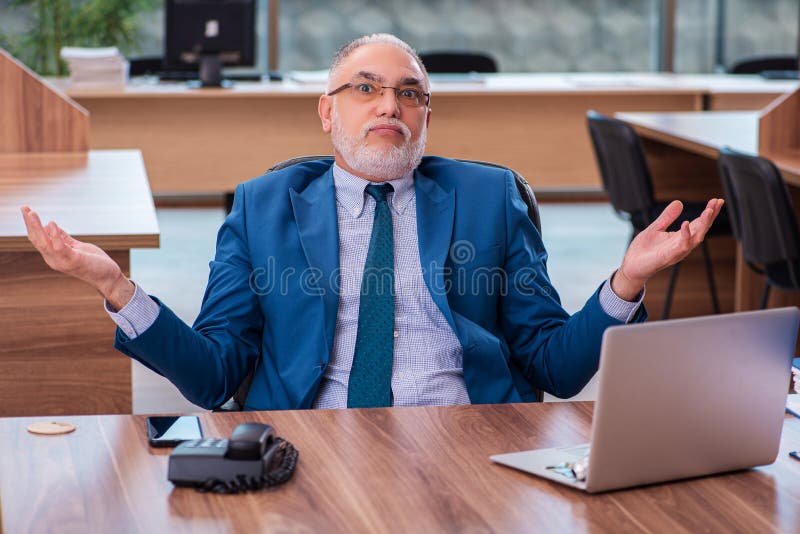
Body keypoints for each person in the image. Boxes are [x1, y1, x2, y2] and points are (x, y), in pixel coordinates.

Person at [21, 34, 723, 411]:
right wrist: (116, 286)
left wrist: (627, 281)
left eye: (409, 93)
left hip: (471, 440)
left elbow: (555, 370)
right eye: (366, 88)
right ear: (328, 112)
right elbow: (213, 377)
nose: (389, 104)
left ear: (425, 117)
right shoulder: (262, 207)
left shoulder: (490, 198)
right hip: (312, 447)